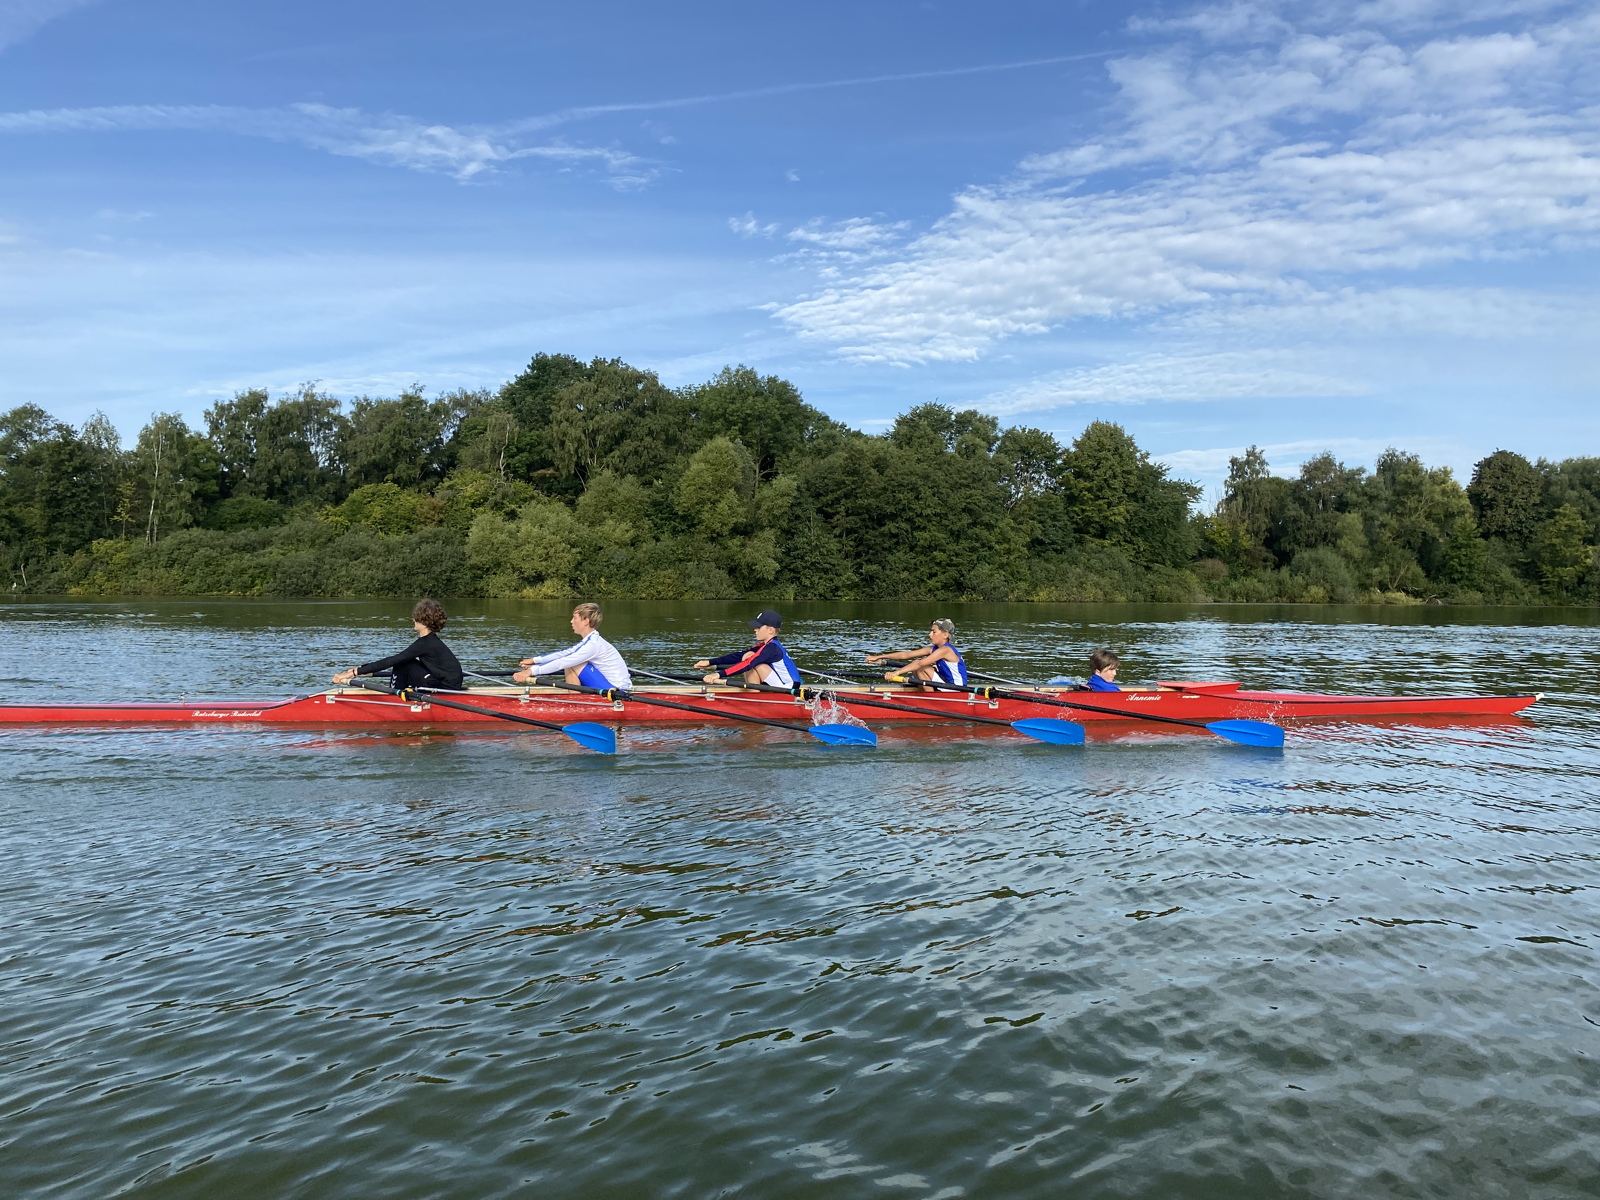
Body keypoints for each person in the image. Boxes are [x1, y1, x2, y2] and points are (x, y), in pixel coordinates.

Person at [332, 599, 463, 692]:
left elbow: (392, 660)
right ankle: (402, 692)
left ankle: (394, 696)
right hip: (446, 683)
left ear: (423, 621)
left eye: (415, 617)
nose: (413, 620)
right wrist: (362, 669)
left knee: (401, 664)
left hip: (446, 689)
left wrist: (355, 672)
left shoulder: (426, 644)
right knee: (406, 662)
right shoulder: (430, 642)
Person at [513, 602, 632, 690]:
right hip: (610, 685)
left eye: (574, 618)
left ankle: (575, 703)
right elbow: (565, 653)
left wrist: (530, 672)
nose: (571, 621)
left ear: (586, 621)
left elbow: (563, 661)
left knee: (571, 662)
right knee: (570, 661)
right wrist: (534, 661)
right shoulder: (590, 641)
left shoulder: (593, 645)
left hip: (617, 690)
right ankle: (576, 699)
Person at [694, 609, 801, 688]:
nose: (755, 629)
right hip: (781, 683)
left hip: (789, 688)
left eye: (759, 627)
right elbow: (739, 656)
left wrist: (718, 675)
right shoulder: (765, 646)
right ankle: (754, 693)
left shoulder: (772, 648)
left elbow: (747, 664)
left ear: (771, 630)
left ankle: (754, 696)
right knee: (747, 655)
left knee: (749, 659)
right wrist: (710, 663)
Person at [866, 618, 968, 687]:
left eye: (934, 632)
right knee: (915, 668)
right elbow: (906, 655)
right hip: (945, 684)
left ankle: (929, 699)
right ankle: (925, 694)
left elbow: (920, 663)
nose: (930, 634)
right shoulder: (933, 649)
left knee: (920, 666)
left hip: (956, 688)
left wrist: (896, 673)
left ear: (945, 635)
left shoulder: (946, 650)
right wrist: (879, 657)